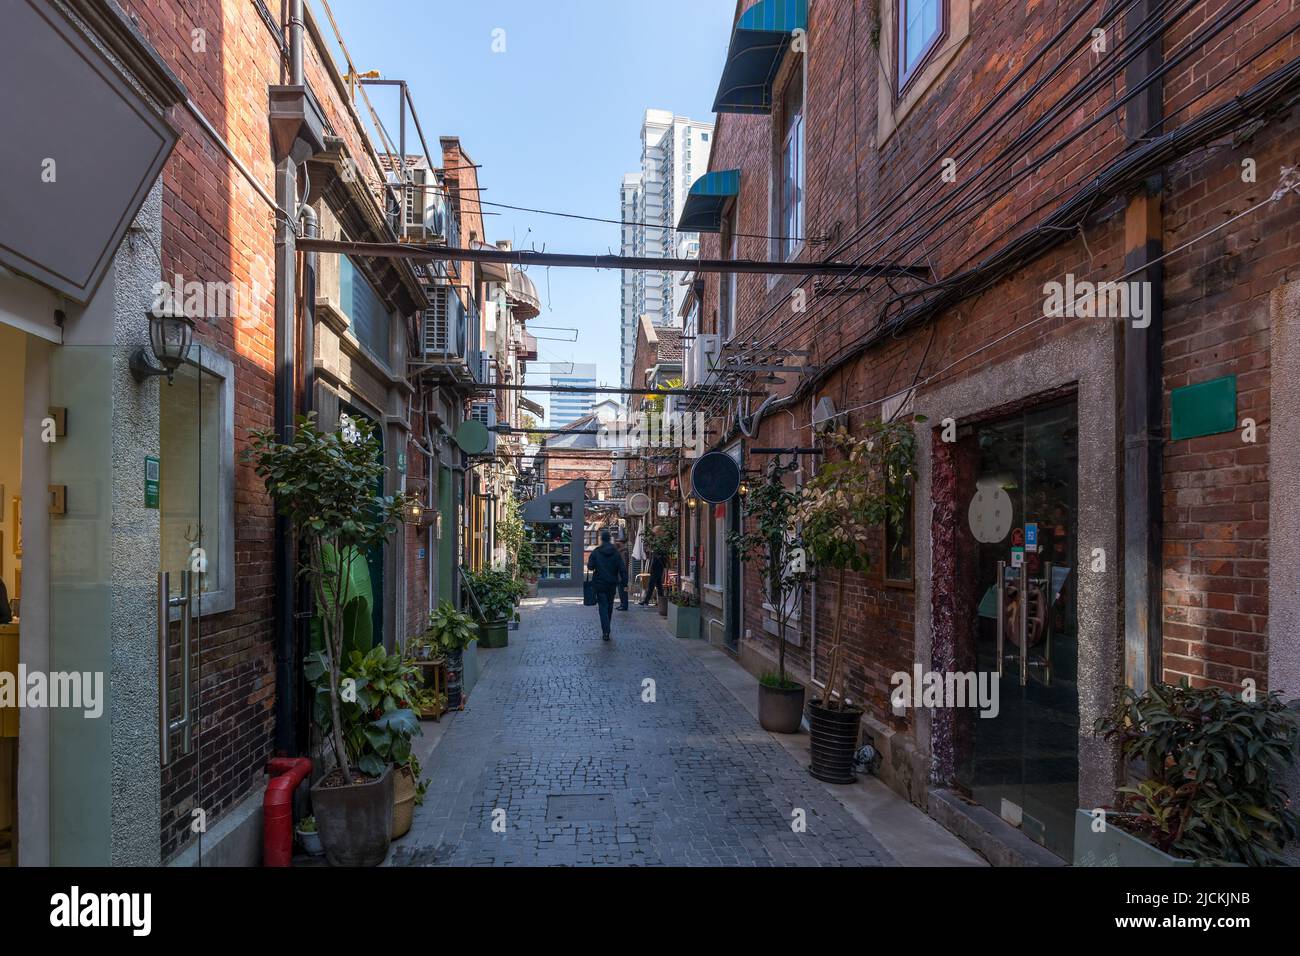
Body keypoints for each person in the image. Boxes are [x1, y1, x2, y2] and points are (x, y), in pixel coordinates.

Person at [587, 529, 627, 641]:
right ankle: (607, 628)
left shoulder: (596, 551)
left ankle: (606, 631)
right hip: (611, 584)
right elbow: (622, 569)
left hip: (599, 584)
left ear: (601, 539)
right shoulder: (616, 552)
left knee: (603, 608)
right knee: (609, 607)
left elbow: (590, 566)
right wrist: (625, 582)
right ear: (609, 539)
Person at [615, 535, 630, 611]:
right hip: (621, 575)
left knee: (623, 591)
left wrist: (622, 575)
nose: (616, 542)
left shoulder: (623, 552)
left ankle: (624, 605)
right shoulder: (621, 551)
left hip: (622, 576)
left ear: (621, 542)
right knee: (621, 591)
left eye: (618, 541)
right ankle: (622, 604)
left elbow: (624, 565)